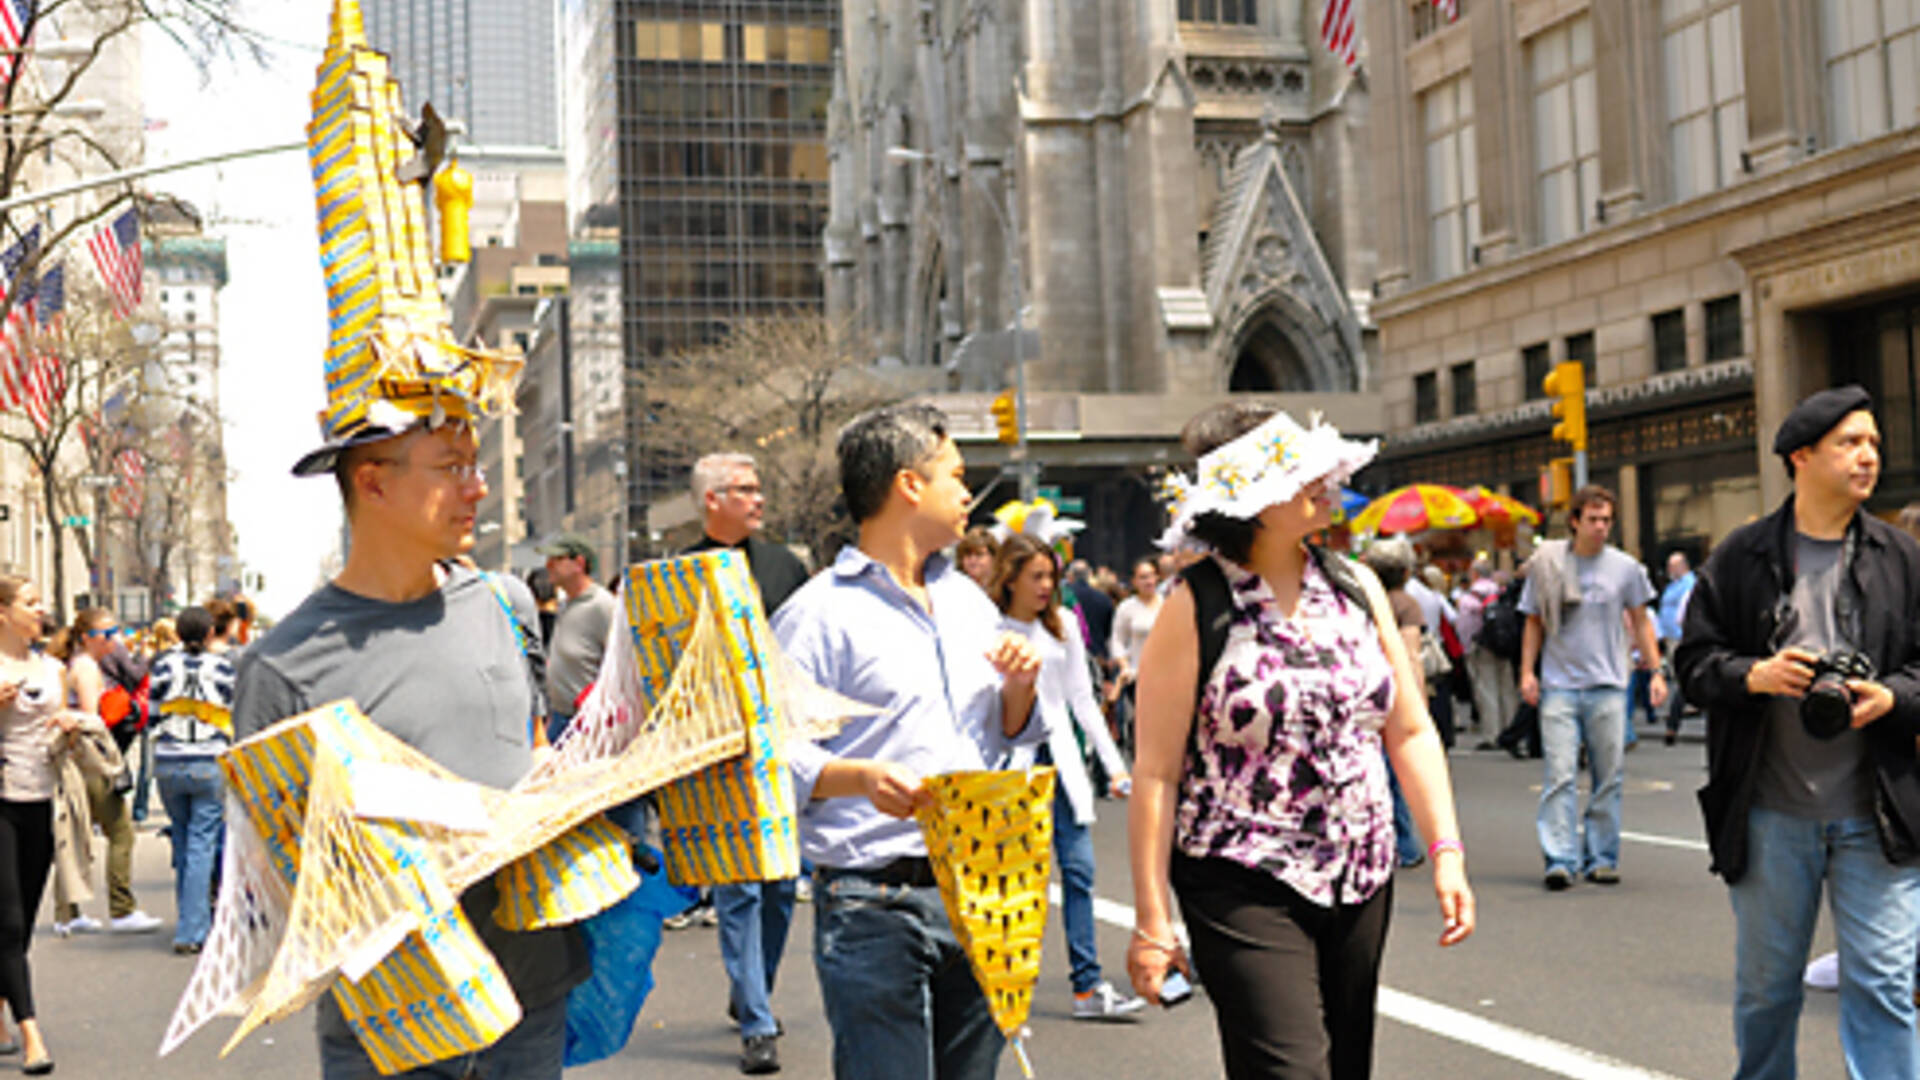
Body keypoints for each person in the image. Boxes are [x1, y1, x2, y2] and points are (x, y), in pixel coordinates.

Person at [234, 414, 589, 1080]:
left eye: (475, 467)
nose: (477, 489)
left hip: (527, 996)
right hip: (390, 1024)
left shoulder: (504, 604)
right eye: (452, 467)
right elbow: (275, 872)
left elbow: (535, 746)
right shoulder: (283, 666)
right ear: (372, 483)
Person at [1128, 404, 1473, 1080]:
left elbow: (1407, 729)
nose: (1323, 479)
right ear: (1250, 498)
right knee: (1291, 1072)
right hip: (1241, 875)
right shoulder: (1194, 604)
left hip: (1361, 872)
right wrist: (1151, 918)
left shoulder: (1355, 584)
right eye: (1298, 471)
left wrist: (1447, 851)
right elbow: (1156, 773)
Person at [771, 403, 1043, 1080]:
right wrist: (858, 777)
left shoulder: (969, 603)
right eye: (956, 474)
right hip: (872, 901)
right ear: (908, 485)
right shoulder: (818, 615)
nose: (967, 493)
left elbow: (1006, 735)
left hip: (982, 884)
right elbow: (772, 756)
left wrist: (1020, 690)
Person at [1676, 385, 1920, 1080]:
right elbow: (1692, 663)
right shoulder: (1741, 556)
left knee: (1884, 989)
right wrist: (1753, 675)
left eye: (1873, 442)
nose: (1868, 455)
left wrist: (1893, 697)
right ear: (1801, 457)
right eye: (1850, 443)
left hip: (1880, 815)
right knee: (1767, 994)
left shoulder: (1902, 558)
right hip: (1771, 814)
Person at [684, 451, 811, 1075]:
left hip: (783, 748)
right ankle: (758, 1024)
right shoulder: (676, 576)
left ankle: (749, 989)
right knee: (737, 890)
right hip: (718, 756)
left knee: (782, 886)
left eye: (760, 489)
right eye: (745, 490)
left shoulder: (787, 567)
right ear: (712, 499)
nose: (759, 499)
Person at [989, 533, 1144, 1021]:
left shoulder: (1063, 629)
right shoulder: (987, 628)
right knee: (1018, 884)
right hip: (1011, 764)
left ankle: (1087, 987)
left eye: (1050, 577)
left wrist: (1116, 764)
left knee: (1079, 871)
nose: (1045, 586)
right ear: (1009, 577)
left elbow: (1083, 701)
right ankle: (1006, 992)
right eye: (1035, 576)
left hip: (1061, 764)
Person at [1520, 486, 1665, 890]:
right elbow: (1532, 621)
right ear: (1575, 521)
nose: (1601, 527)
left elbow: (1641, 620)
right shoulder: (1549, 563)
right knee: (1560, 776)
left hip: (1609, 684)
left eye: (1607, 520)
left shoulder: (1626, 568)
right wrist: (1527, 672)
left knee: (1609, 777)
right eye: (1593, 519)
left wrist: (1655, 671)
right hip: (1559, 685)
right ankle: (1560, 859)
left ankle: (1601, 858)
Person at [0, 576, 116, 1074]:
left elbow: (77, 723)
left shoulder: (52, 668)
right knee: (5, 918)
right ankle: (31, 1035)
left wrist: (71, 725)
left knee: (23, 918)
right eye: (29, 603)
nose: (41, 610)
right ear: (3, 611)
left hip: (44, 799)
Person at [47, 608, 160, 935]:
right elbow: (89, 719)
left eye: (116, 633)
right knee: (121, 833)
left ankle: (67, 914)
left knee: (76, 837)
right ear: (87, 638)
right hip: (89, 761)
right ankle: (122, 910)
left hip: (80, 761)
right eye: (107, 635)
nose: (115, 640)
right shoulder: (84, 666)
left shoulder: (84, 664)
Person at [146, 606, 237, 956]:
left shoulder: (163, 664)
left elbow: (153, 713)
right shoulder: (225, 666)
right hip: (209, 759)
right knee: (202, 842)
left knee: (183, 838)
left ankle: (189, 916)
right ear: (211, 632)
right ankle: (192, 928)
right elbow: (231, 711)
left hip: (169, 761)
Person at [1360, 538, 1436, 870]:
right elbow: (1411, 657)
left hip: (1361, 692)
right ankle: (1405, 845)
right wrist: (1419, 702)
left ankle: (1383, 843)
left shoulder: (1359, 599)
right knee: (1397, 774)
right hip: (1392, 694)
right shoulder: (1406, 604)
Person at [538, 533, 617, 744]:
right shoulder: (566, 606)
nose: (548, 565)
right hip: (561, 719)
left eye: (556, 559)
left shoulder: (603, 606)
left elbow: (618, 663)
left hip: (589, 724)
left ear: (579, 563)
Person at [1456, 557, 1518, 750]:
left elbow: (1465, 627)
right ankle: (1511, 729)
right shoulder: (1501, 591)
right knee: (1507, 689)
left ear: (1474, 574)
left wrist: (1466, 649)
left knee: (1487, 690)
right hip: (1504, 646)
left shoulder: (1469, 598)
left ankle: (1493, 734)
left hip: (1482, 648)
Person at [1656, 551, 1696, 746]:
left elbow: (1684, 617)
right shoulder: (1674, 586)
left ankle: (1674, 722)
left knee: (1683, 680)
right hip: (1672, 638)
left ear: (1683, 565)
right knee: (1681, 679)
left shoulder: (1689, 585)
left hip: (1682, 639)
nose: (1670, 569)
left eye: (1673, 566)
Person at [956, 526, 998, 590]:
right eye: (968, 555)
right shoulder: (956, 588)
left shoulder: (1002, 589)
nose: (973, 560)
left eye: (979, 554)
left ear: (993, 557)